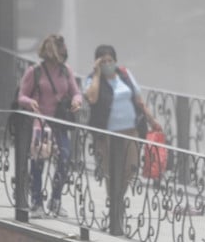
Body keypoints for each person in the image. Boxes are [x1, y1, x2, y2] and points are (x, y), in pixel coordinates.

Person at [17, 34, 82, 217]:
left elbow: (76, 92)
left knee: (64, 158)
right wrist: (30, 102)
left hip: (59, 123)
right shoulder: (35, 71)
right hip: (40, 123)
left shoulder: (65, 70)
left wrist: (77, 102)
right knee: (38, 160)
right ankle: (36, 202)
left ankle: (56, 200)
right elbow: (21, 96)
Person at [83, 44, 160, 185]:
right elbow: (91, 98)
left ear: (115, 61)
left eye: (110, 60)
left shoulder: (124, 75)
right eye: (103, 62)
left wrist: (152, 120)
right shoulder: (92, 79)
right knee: (110, 172)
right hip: (105, 133)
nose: (107, 64)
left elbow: (139, 100)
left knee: (131, 167)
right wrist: (97, 74)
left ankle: (117, 201)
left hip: (130, 131)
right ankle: (116, 205)